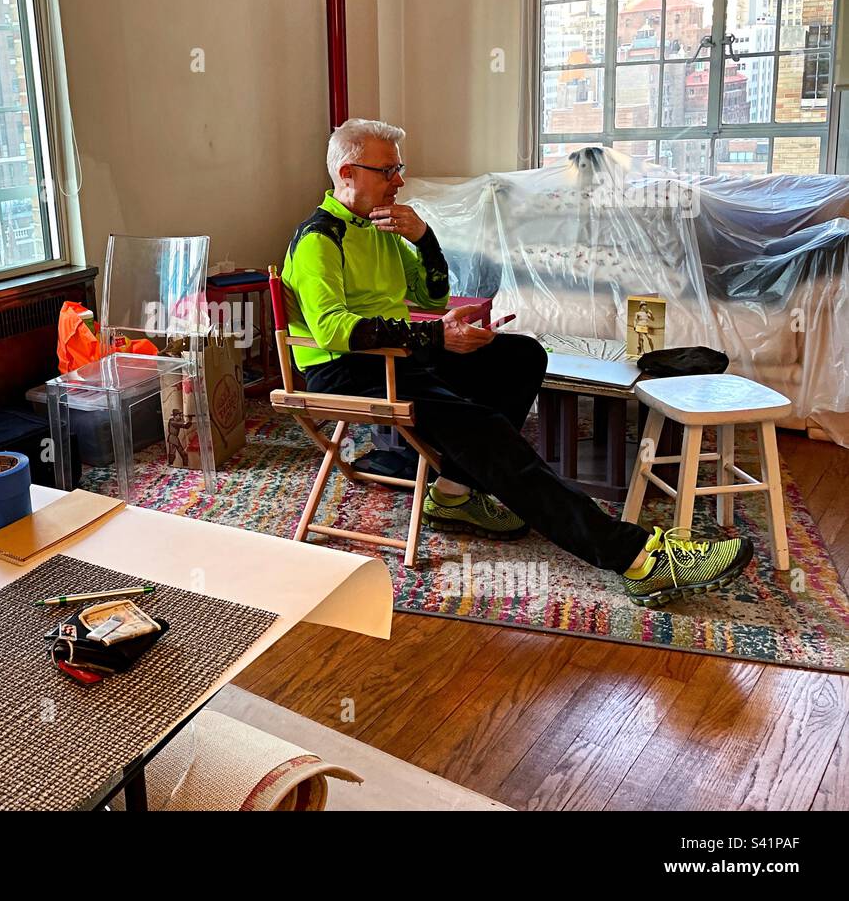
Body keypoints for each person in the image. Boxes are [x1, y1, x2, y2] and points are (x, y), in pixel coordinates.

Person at [280, 118, 752, 606]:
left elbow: (432, 296)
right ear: (347, 172)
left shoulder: (380, 229)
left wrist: (425, 240)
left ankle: (452, 492)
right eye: (388, 171)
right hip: (346, 370)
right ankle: (635, 559)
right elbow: (335, 331)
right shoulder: (319, 238)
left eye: (399, 169)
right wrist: (435, 337)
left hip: (400, 357)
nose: (399, 181)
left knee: (520, 355)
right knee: (485, 432)